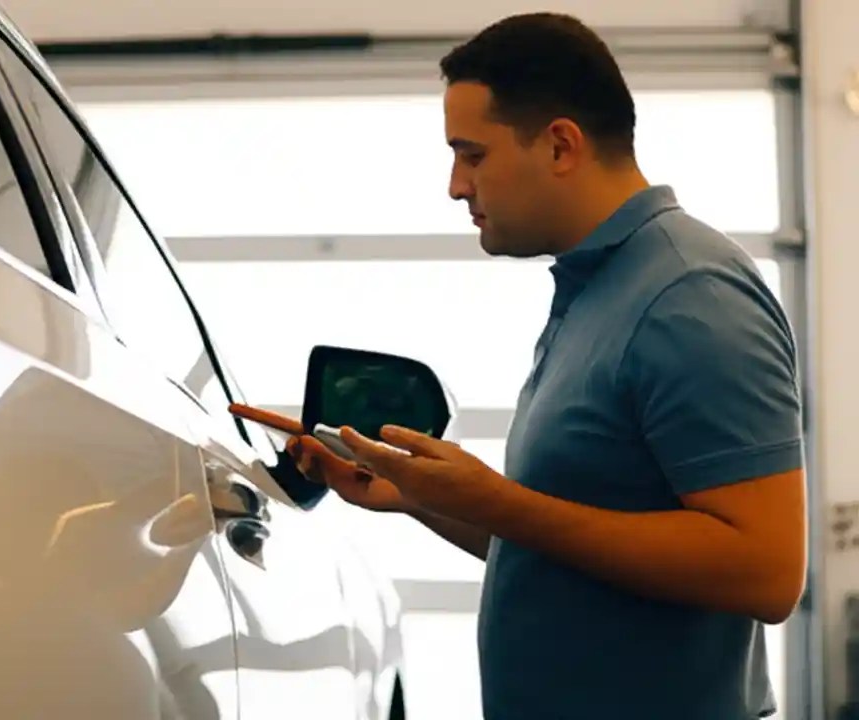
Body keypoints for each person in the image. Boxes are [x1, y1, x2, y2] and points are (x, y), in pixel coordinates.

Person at [287, 12, 806, 720]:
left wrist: (496, 501)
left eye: (472, 154)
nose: (455, 185)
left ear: (561, 145)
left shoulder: (690, 294)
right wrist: (419, 496)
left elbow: (767, 570)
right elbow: (562, 545)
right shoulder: (597, 291)